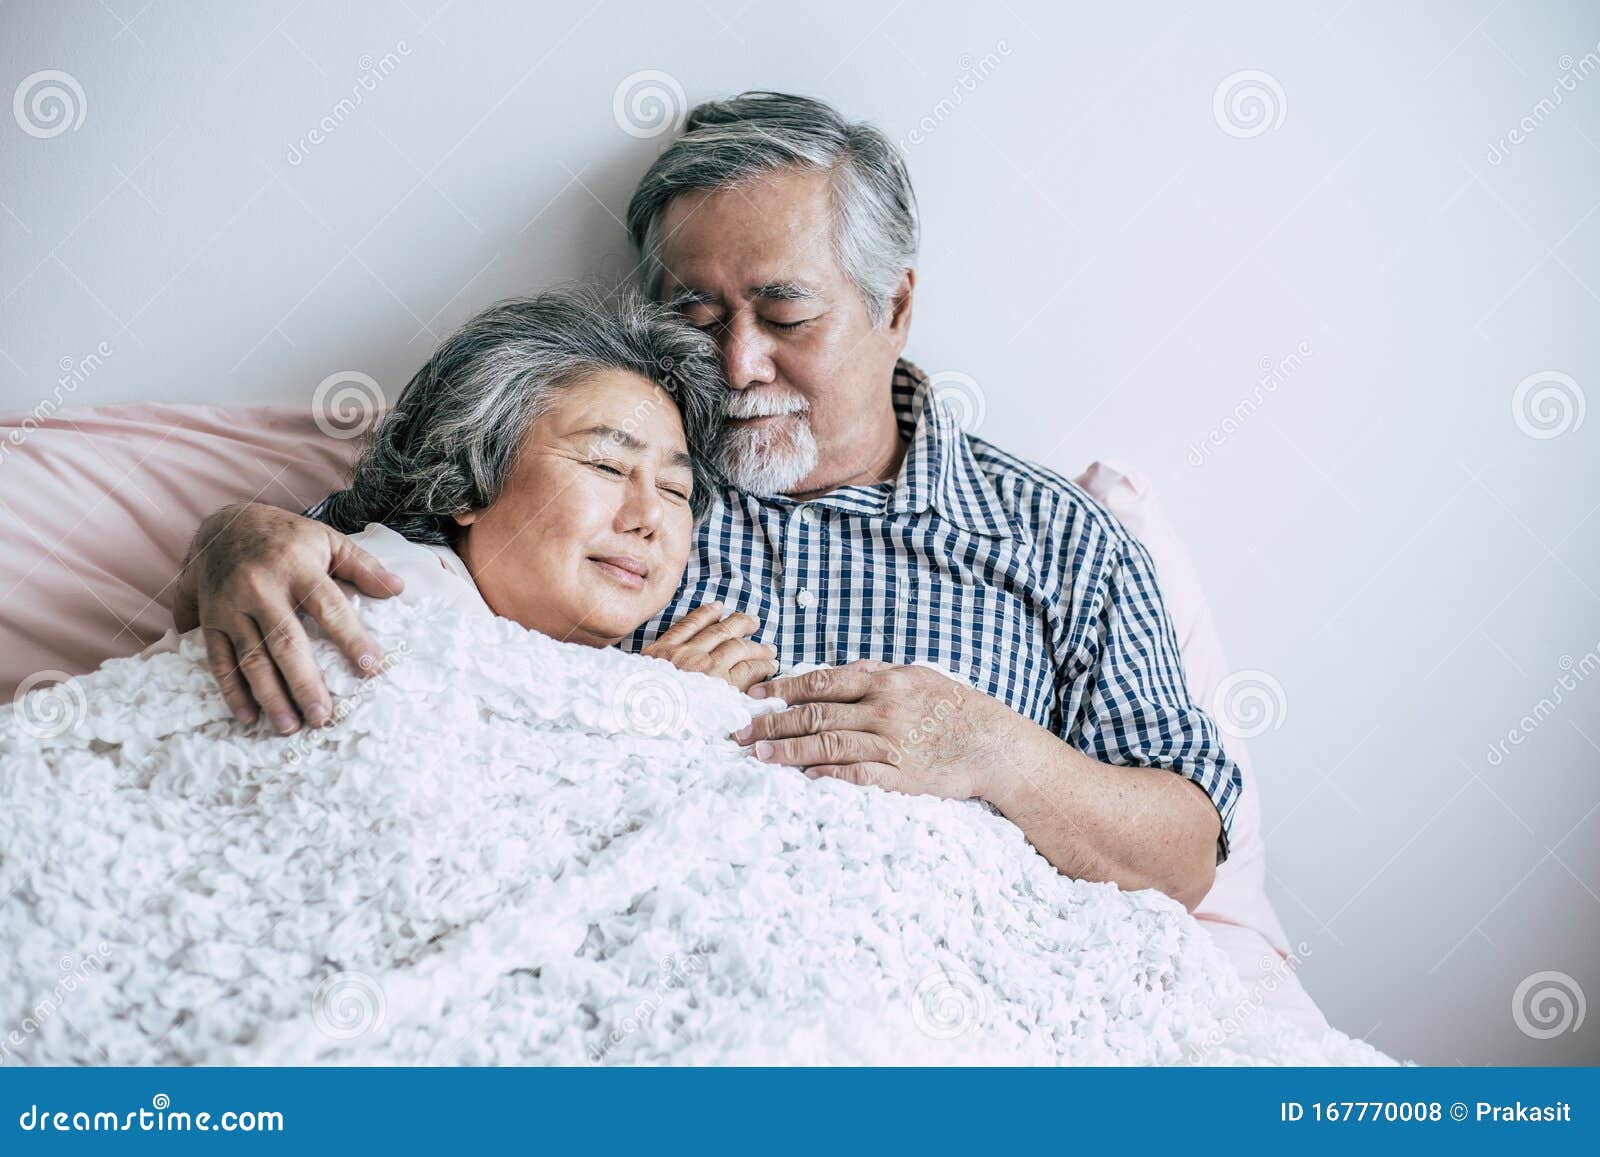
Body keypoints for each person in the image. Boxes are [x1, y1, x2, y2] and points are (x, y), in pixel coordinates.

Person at [173, 93, 1241, 911]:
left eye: (784, 312)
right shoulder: (602, 466)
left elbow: (1184, 852)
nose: (736, 361)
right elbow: (355, 584)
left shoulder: (1063, 541)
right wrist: (232, 538)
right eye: (695, 312)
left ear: (894, 304)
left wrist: (991, 750)